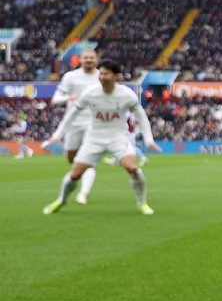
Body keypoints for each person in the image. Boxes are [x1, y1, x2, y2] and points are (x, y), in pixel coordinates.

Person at [41, 59, 159, 215]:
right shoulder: (90, 93)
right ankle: (61, 200)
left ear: (116, 76)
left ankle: (142, 203)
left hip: (118, 137)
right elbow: (71, 114)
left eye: (106, 74)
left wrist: (148, 139)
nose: (102, 77)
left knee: (133, 168)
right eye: (101, 73)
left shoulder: (127, 95)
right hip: (94, 138)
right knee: (75, 174)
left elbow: (142, 117)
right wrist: (57, 135)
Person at [50, 47, 102, 200]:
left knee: (88, 160)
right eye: (86, 57)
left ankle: (83, 193)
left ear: (96, 59)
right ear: (80, 59)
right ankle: (79, 175)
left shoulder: (102, 76)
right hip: (73, 123)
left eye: (92, 57)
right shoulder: (70, 77)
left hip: (93, 123)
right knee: (71, 159)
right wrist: (68, 98)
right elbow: (55, 99)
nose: (89, 60)